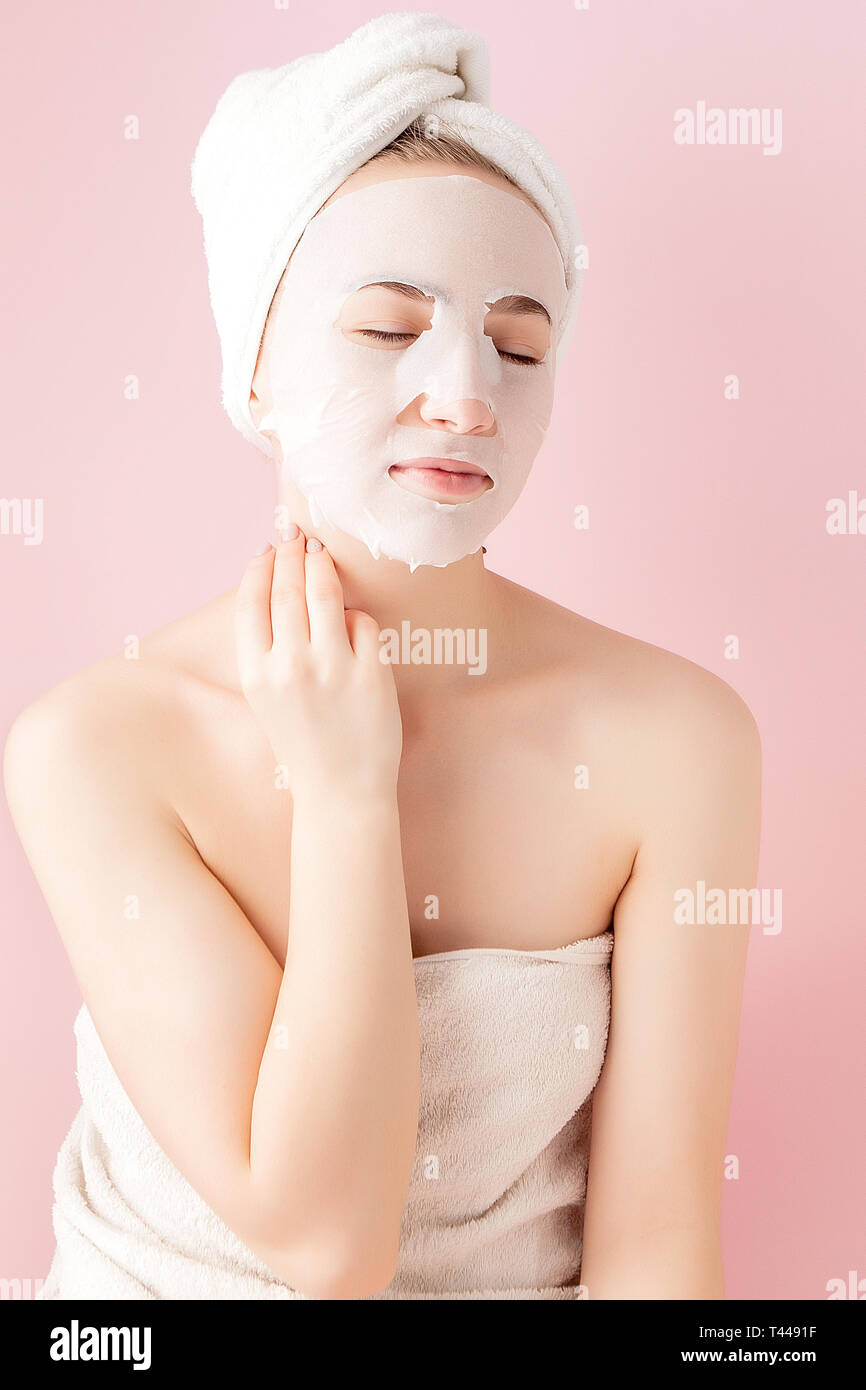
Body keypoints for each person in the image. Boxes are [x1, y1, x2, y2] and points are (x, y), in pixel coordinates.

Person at [3, 14, 760, 1300]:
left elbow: (658, 1253)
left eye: (519, 346)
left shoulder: (676, 739)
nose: (466, 391)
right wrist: (347, 797)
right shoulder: (99, 743)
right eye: (383, 328)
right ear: (252, 375)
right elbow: (325, 1248)